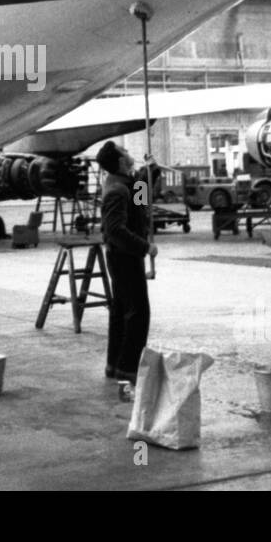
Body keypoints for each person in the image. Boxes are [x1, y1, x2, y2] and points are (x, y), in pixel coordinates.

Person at [95, 141, 157, 384]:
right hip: (124, 258)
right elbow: (115, 231)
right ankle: (129, 370)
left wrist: (150, 173)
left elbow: (141, 206)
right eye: (126, 153)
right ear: (121, 162)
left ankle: (116, 367)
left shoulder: (125, 184)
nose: (130, 155)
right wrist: (145, 246)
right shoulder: (117, 191)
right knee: (138, 314)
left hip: (127, 256)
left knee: (122, 312)